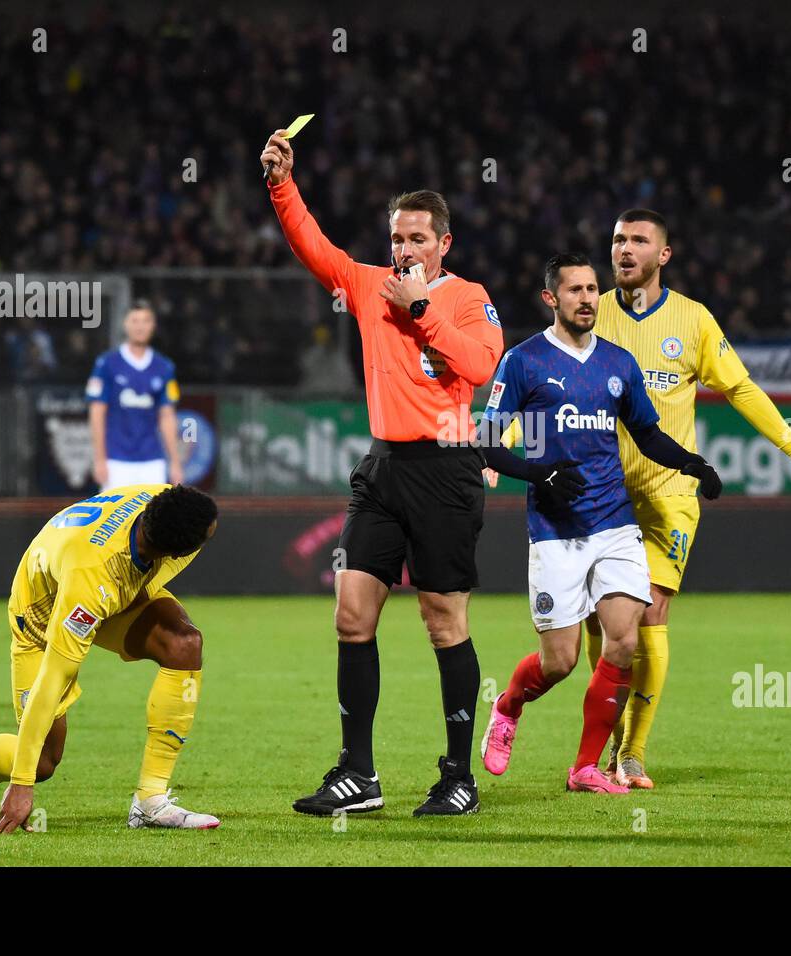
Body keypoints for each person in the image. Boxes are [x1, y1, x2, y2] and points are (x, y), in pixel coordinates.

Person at [261, 128, 503, 816]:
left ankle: (458, 776)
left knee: (442, 619)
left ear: (444, 244)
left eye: (418, 238)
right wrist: (282, 182)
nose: (404, 250)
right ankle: (357, 775)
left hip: (448, 468)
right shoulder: (367, 284)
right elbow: (314, 246)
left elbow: (483, 367)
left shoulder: (466, 296)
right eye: (398, 238)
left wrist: (420, 308)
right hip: (385, 466)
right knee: (351, 614)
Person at [585, 209, 791, 788]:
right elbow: (538, 378)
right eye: (617, 240)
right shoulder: (590, 311)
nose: (625, 250)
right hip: (599, 494)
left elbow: (739, 387)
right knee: (603, 627)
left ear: (664, 255)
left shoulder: (693, 320)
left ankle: (631, 752)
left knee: (650, 610)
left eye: (639, 241)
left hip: (668, 495)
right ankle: (604, 742)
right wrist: (499, 441)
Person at [477, 253, 721, 793]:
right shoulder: (523, 361)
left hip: (614, 524)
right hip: (556, 533)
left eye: (592, 289)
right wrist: (539, 475)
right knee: (560, 661)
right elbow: (487, 445)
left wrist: (693, 464)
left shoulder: (618, 363)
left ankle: (586, 767)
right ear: (551, 298)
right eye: (575, 291)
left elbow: (646, 432)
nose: (588, 298)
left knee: (623, 643)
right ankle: (507, 706)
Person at [0, 484, 221, 833]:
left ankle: (150, 801)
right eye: (205, 539)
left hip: (100, 587)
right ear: (175, 551)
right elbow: (53, 678)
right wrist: (22, 784)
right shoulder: (94, 576)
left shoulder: (163, 503)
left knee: (184, 645)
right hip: (41, 618)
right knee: (42, 762)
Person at [87, 301, 184, 490]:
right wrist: (99, 458)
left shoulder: (164, 367)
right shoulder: (107, 363)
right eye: (135, 320)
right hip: (116, 460)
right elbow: (97, 412)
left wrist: (175, 461)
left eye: (146, 321)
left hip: (152, 460)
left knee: (156, 518)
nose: (140, 326)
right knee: (116, 519)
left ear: (153, 326)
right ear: (125, 324)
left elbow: (167, 415)